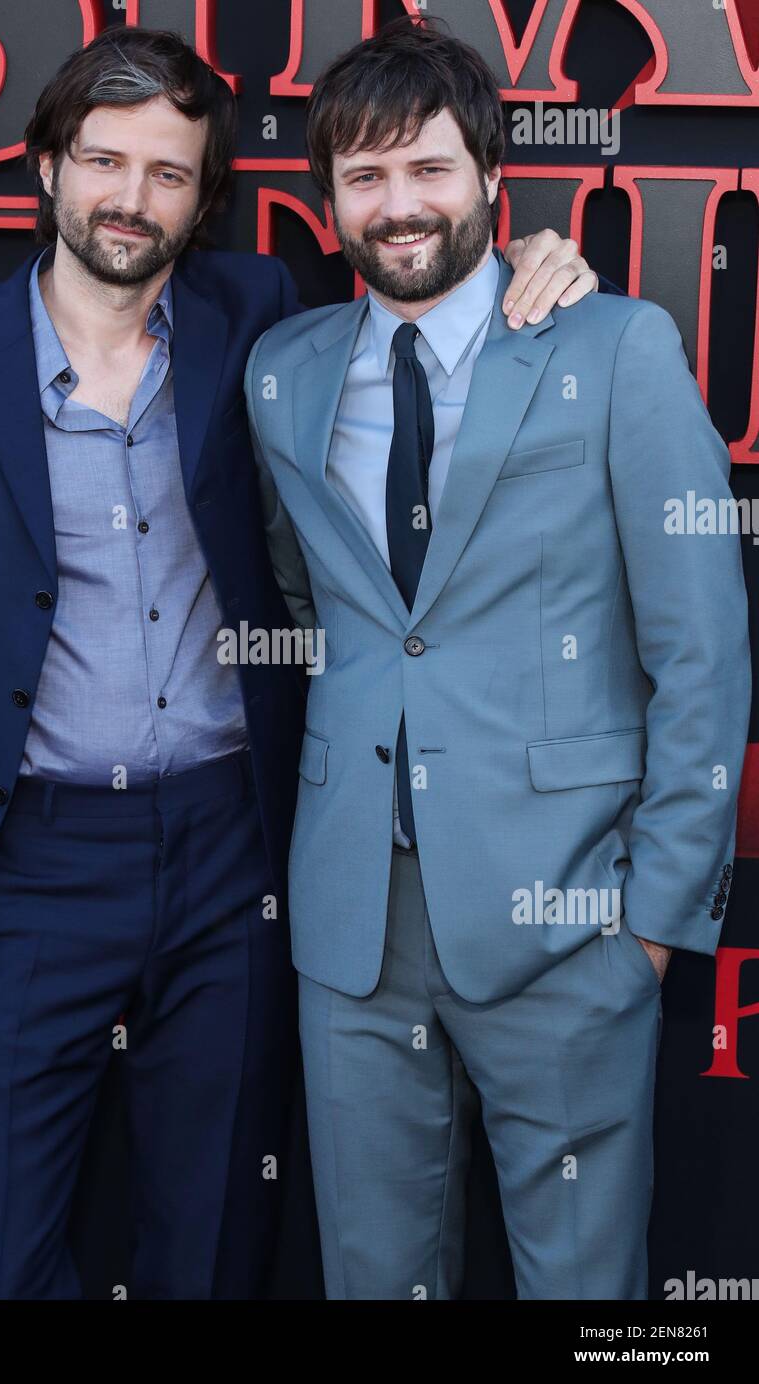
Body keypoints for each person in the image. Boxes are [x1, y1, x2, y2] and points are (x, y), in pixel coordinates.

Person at [0, 23, 605, 1300]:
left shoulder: (257, 324)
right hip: (20, 871)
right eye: (105, 161)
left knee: (218, 1241)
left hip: (236, 861)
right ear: (47, 168)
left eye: (169, 174)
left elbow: (432, 302)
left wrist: (542, 264)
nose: (133, 198)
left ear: (204, 199)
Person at [244, 15, 750, 1300]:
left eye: (427, 169)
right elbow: (320, 612)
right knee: (374, 1278)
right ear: (330, 205)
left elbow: (702, 648)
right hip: (355, 925)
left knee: (585, 1290)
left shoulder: (613, 347)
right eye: (365, 178)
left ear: (487, 180)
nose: (399, 205)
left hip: (572, 915)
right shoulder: (282, 377)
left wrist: (651, 922)